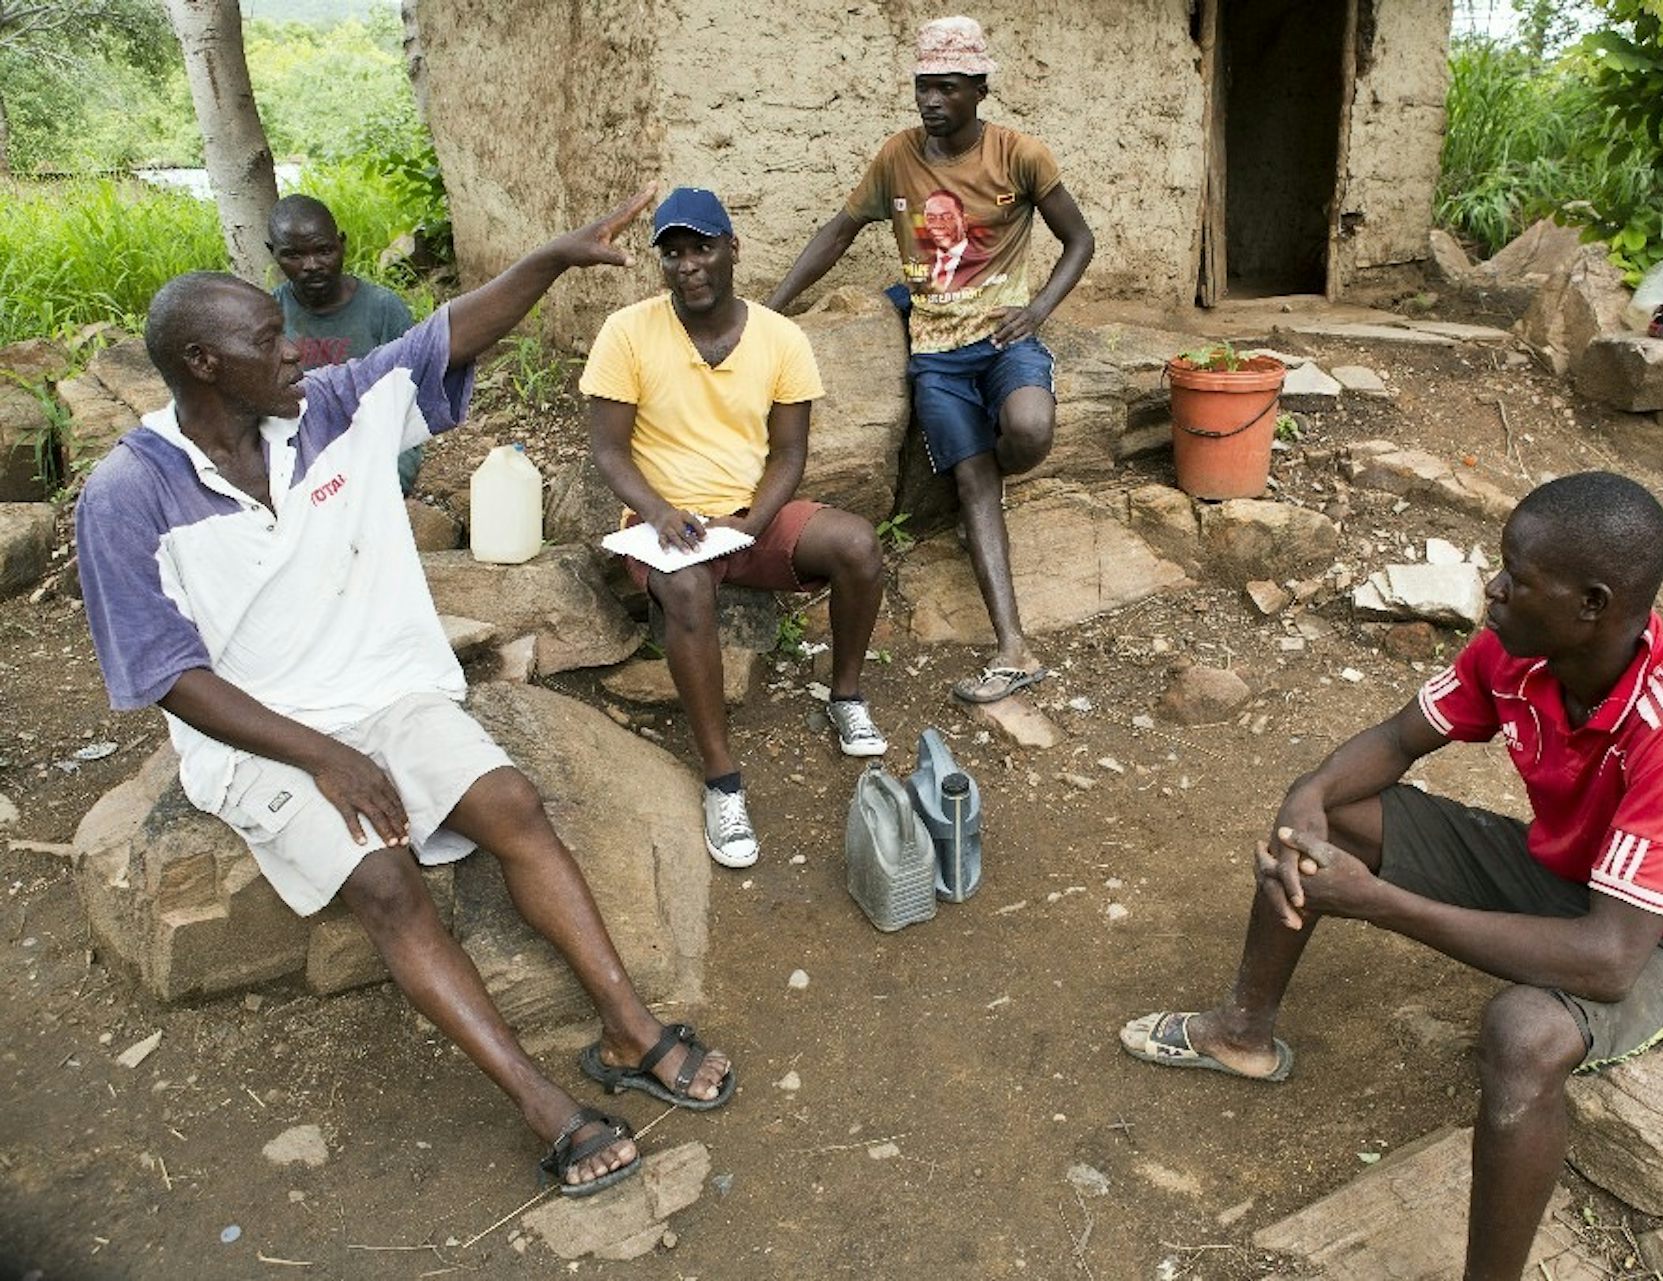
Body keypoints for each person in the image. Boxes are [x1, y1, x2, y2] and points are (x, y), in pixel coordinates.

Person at [75, 188, 734, 1202]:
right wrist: (324, 756)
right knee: (385, 882)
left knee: (512, 802)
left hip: (385, 691)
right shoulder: (130, 496)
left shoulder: (327, 411)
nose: (297, 349)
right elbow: (168, 675)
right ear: (204, 366)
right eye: (268, 339)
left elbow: (443, 334)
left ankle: (629, 1028)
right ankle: (538, 1101)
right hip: (261, 736)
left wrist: (550, 261)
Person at [1119, 473, 1663, 1280]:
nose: (1491, 587)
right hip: (1574, 877)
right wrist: (1308, 800)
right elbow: (1397, 740)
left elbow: (1608, 960)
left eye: (1516, 574)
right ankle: (1241, 1031)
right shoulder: (1517, 649)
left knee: (1523, 1035)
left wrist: (1379, 903)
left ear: (1593, 604)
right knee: (1341, 816)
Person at [766, 14, 1095, 705]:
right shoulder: (896, 158)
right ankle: (1013, 647)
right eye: (922, 86)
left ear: (978, 90)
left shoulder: (1020, 155)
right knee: (974, 482)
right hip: (936, 354)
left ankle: (986, 463)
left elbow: (1079, 240)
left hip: (1006, 340)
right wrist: (772, 307)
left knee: (1030, 429)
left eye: (946, 88)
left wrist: (1037, 311)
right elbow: (839, 231)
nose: (930, 101)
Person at [582, 187, 888, 871]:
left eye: (702, 247)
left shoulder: (781, 339)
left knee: (858, 545)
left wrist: (752, 520)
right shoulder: (628, 332)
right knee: (687, 590)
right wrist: (659, 511)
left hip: (749, 515)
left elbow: (789, 453)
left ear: (732, 249)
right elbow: (609, 450)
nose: (688, 265)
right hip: (667, 522)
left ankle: (845, 696)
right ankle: (723, 782)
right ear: (660, 263)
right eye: (673, 253)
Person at [266, 194, 425, 494]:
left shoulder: (383, 309)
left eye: (323, 250)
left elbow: (407, 404)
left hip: (375, 442)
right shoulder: (269, 314)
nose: (311, 265)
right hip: (298, 448)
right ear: (273, 253)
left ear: (341, 244)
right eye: (294, 255)